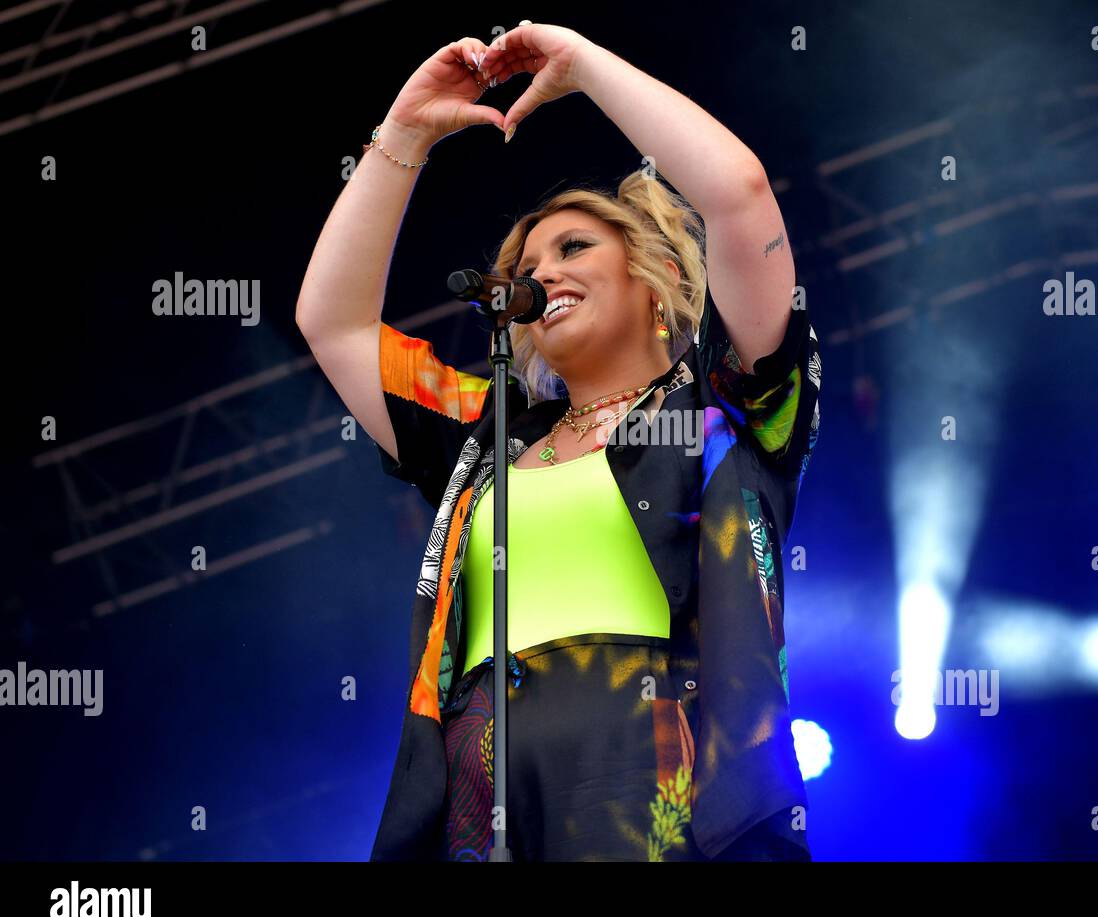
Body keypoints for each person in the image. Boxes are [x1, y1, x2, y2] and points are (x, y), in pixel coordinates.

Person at [296, 23, 821, 861]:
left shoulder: (718, 403)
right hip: (481, 783)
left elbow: (741, 193)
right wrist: (401, 136)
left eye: (573, 247)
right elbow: (333, 323)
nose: (540, 274)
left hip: (653, 770)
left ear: (657, 280)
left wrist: (586, 68)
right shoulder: (487, 432)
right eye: (523, 266)